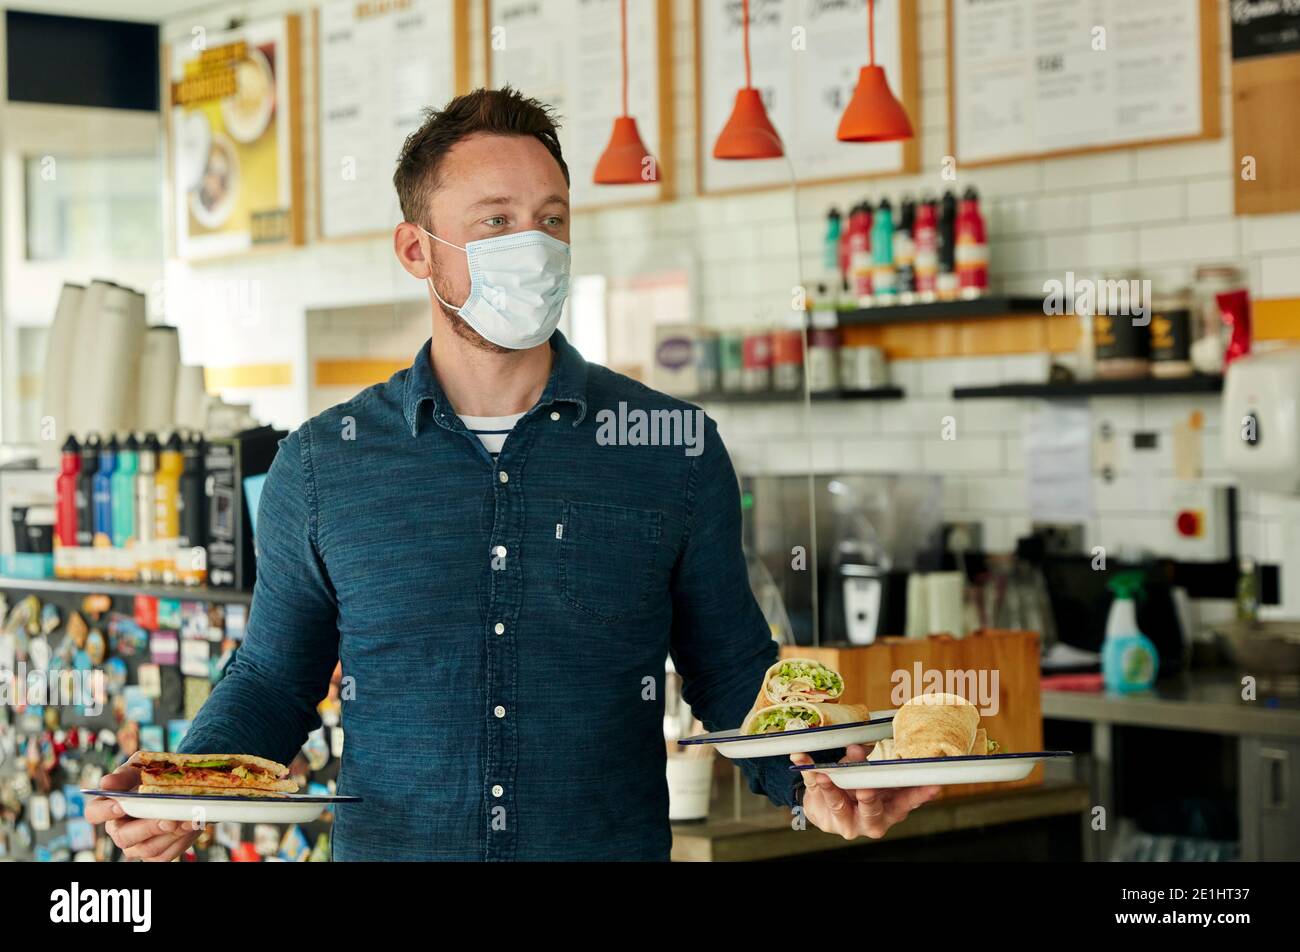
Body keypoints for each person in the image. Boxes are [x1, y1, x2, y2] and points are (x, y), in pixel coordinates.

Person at [87, 87, 937, 860]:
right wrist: (180, 783)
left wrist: (815, 778)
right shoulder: (321, 464)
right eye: (495, 221)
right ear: (416, 250)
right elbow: (276, 678)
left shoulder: (670, 446)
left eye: (552, 218)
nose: (533, 245)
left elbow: (730, 669)